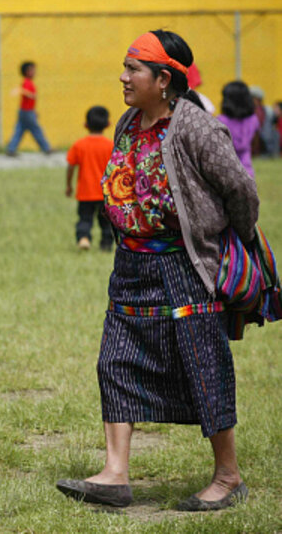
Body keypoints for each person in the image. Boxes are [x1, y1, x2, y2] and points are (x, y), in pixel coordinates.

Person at [56, 30, 259, 511]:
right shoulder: (129, 121)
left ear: (164, 79)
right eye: (125, 67)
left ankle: (228, 476)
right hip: (130, 264)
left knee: (202, 365)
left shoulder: (196, 128)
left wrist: (225, 240)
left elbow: (241, 191)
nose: (123, 77)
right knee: (116, 362)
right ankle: (115, 474)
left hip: (183, 267)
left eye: (133, 69)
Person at [65, 106, 113, 251]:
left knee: (85, 218)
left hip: (85, 192)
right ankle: (106, 244)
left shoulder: (79, 145)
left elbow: (70, 166)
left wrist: (69, 185)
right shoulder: (111, 145)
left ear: (85, 125)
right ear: (108, 124)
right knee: (107, 222)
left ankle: (84, 238)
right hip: (106, 193)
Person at [6, 61, 51, 157]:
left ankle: (11, 149)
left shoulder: (29, 83)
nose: (35, 72)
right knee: (36, 129)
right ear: (27, 72)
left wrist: (34, 110)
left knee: (19, 130)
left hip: (26, 111)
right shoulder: (27, 83)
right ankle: (46, 148)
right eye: (32, 70)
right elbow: (24, 91)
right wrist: (32, 95)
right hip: (27, 112)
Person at [217, 81, 260, 178]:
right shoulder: (253, 119)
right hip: (247, 170)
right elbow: (255, 144)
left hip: (226, 170)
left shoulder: (220, 120)